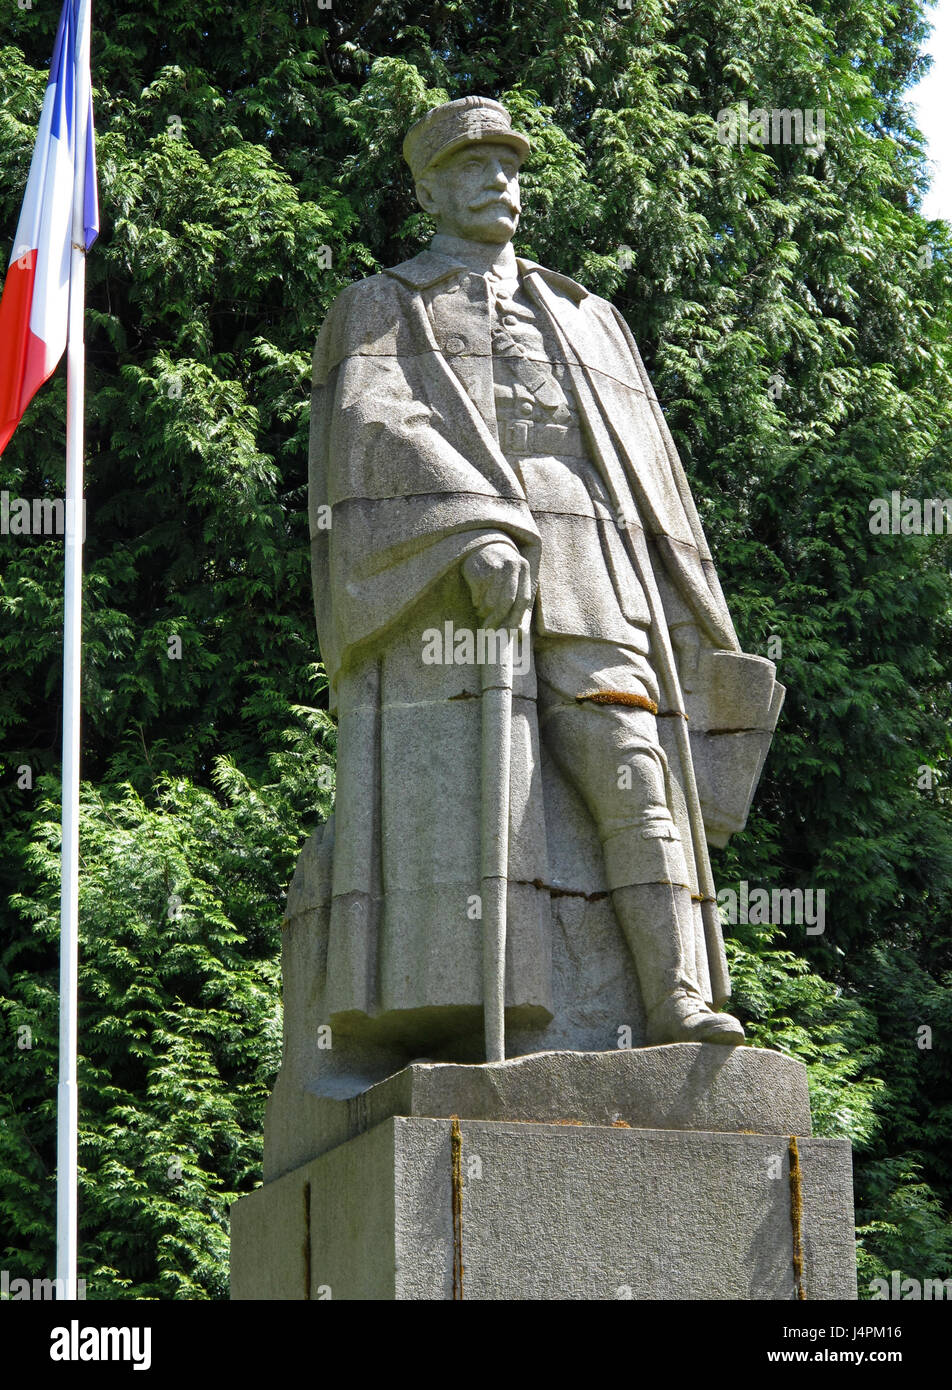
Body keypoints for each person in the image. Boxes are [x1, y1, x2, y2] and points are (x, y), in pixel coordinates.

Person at [306, 96, 783, 1062]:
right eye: (474, 166)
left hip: (593, 565)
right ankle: (485, 1020)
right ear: (430, 187)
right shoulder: (383, 303)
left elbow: (645, 471)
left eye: (511, 166)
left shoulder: (589, 315)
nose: (499, 182)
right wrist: (468, 527)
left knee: (635, 772)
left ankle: (677, 1001)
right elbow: (371, 435)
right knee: (490, 801)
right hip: (450, 589)